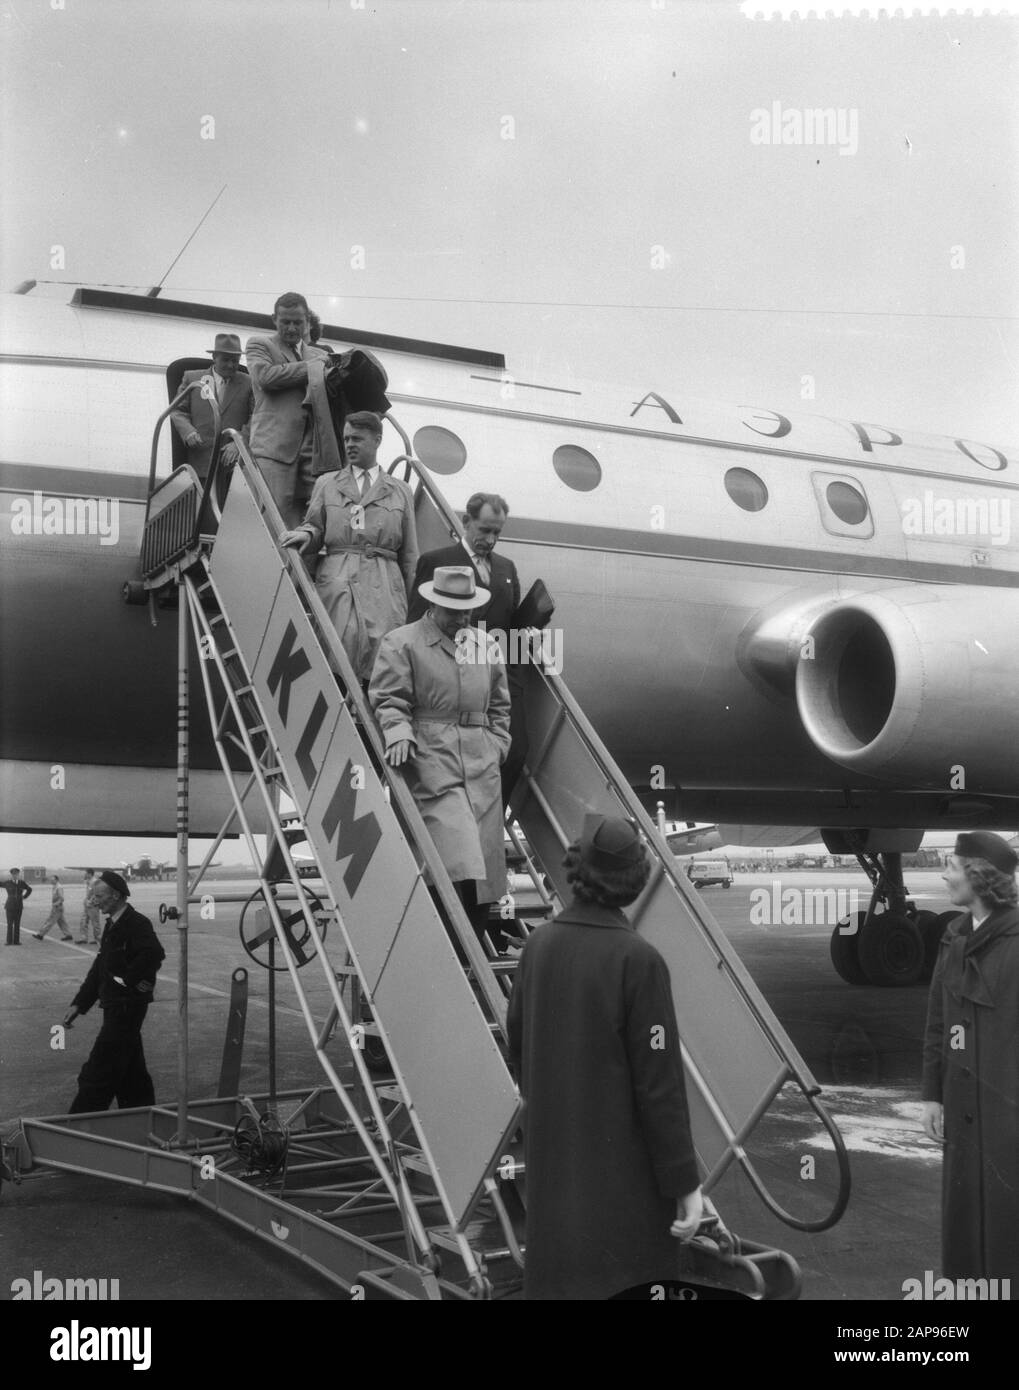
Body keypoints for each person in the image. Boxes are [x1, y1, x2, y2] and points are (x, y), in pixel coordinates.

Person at [506, 814, 704, 1299]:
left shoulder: (537, 947)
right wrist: (685, 1184)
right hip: (624, 1195)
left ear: (578, 869)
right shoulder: (639, 961)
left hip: (555, 1186)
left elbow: (518, 1046)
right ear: (635, 882)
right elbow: (660, 1088)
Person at [369, 566, 510, 946]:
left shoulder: (488, 644)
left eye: (466, 611)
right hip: (433, 762)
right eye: (453, 611)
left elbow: (500, 705)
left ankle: (470, 960)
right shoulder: (402, 643)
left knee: (483, 874)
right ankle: (446, 952)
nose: (461, 619)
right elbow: (389, 699)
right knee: (455, 860)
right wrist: (399, 733)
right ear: (433, 604)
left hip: (482, 764)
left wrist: (498, 744)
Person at [921, 830, 1019, 1287]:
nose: (944, 875)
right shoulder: (953, 938)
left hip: (1007, 1113)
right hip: (961, 1109)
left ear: (978, 878)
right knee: (963, 1223)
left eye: (952, 867)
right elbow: (938, 1025)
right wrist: (931, 1096)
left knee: (1005, 1227)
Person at [280, 412, 418, 682]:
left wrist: (413, 600)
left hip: (385, 583)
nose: (349, 445)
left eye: (357, 439)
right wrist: (305, 537)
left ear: (377, 440)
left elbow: (410, 553)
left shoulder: (400, 490)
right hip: (339, 576)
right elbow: (315, 527)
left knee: (384, 660)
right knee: (337, 653)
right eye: (346, 439)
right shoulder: (328, 484)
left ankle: (369, 720)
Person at [409, 493, 528, 803]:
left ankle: (489, 820)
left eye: (497, 533)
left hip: (495, 678)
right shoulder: (436, 563)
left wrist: (529, 633)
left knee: (515, 753)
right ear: (466, 522)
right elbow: (416, 625)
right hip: (451, 678)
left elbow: (509, 625)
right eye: (484, 530)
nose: (490, 539)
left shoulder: (507, 569)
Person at [64, 870, 165, 1113]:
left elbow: (153, 954)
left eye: (99, 896)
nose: (94, 901)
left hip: (127, 1006)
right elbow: (101, 966)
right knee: (132, 1072)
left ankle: (79, 1124)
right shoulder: (112, 924)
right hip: (114, 1004)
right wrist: (79, 1004)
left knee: (100, 1069)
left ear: (116, 896)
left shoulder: (136, 922)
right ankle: (141, 1116)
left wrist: (127, 982)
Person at [245, 292, 333, 528]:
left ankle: (302, 566)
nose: (292, 328)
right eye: (285, 322)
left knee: (314, 519)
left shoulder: (319, 356)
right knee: (273, 520)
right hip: (275, 449)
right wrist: (314, 368)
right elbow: (265, 376)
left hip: (312, 452)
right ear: (274, 319)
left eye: (298, 322)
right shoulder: (259, 344)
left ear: (307, 322)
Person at [168, 333, 253, 482]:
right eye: (225, 360)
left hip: (233, 467)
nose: (231, 365)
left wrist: (239, 441)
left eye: (235, 360)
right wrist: (188, 432)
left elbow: (258, 416)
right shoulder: (192, 378)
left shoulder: (248, 382)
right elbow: (177, 410)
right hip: (199, 463)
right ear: (214, 357)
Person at [32, 875, 72, 941]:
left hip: (57, 907)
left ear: (56, 880)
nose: (51, 881)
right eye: (51, 880)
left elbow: (62, 898)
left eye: (53, 880)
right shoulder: (55, 886)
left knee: (50, 921)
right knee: (62, 922)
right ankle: (68, 935)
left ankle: (40, 935)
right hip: (58, 907)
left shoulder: (59, 887)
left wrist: (56, 904)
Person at [2, 868, 32, 945]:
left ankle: (16, 941)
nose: (15, 875)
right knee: (9, 924)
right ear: (11, 875)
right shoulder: (7, 883)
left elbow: (29, 889)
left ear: (18, 875)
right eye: (13, 874)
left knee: (17, 924)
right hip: (9, 906)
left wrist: (24, 897)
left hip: (19, 906)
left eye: (16, 874)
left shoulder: (22, 883)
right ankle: (9, 941)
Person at [77, 868, 102, 945]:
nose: (84, 874)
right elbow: (89, 893)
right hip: (87, 905)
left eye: (86, 873)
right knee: (83, 922)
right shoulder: (88, 882)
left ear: (90, 874)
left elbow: (96, 894)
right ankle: (83, 938)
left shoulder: (95, 882)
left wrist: (90, 901)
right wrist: (86, 901)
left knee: (95, 923)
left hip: (93, 905)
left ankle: (98, 939)